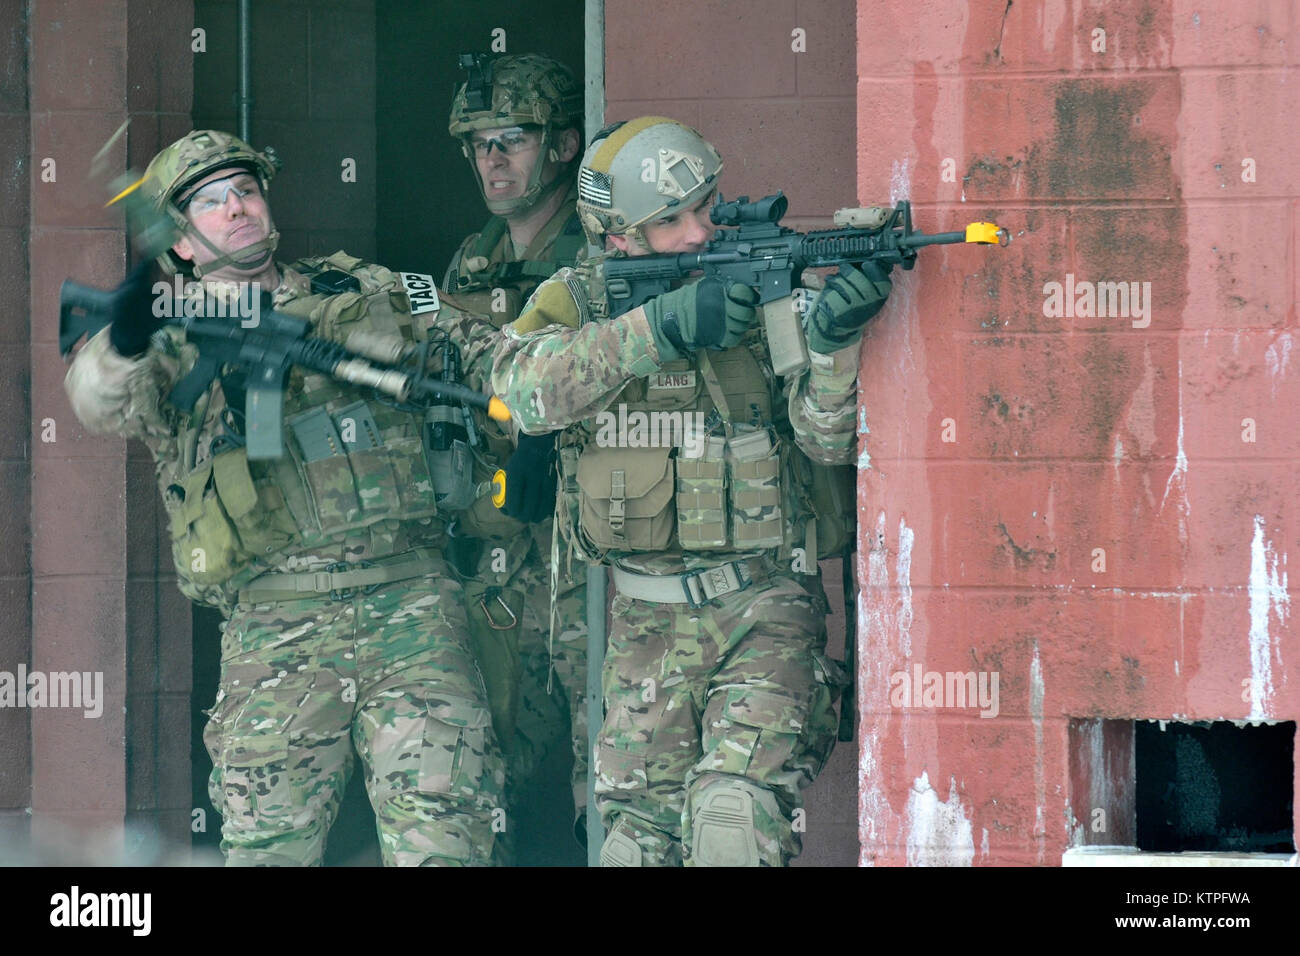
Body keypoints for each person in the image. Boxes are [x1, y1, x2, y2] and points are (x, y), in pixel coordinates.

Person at [64, 129, 506, 866]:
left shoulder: (364, 293)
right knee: (269, 851)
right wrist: (128, 335)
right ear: (180, 242)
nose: (236, 207)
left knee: (448, 841)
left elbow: (493, 357)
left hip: (414, 609)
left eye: (245, 189)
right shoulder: (174, 335)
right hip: (278, 627)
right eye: (209, 202)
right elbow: (96, 402)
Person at [491, 117, 891, 866]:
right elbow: (520, 394)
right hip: (643, 622)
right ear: (617, 240)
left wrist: (833, 348)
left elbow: (827, 440)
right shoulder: (578, 299)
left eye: (704, 207)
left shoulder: (769, 288)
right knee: (636, 846)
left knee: (731, 826)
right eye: (669, 221)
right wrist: (661, 327)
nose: (699, 232)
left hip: (766, 604)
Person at [444, 52, 590, 841]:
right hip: (500, 545)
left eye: (512, 138)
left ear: (562, 146)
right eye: (476, 143)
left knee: (606, 756)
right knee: (491, 745)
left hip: (586, 545)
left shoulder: (599, 257)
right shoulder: (473, 259)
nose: (491, 159)